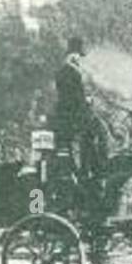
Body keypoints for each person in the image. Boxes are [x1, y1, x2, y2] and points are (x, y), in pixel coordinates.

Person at [52, 36, 108, 179]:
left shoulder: (68, 72)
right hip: (72, 116)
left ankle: (90, 167)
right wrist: (86, 101)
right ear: (72, 56)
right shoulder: (69, 72)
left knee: (93, 134)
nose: (80, 59)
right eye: (78, 56)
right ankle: (97, 169)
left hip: (70, 115)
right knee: (101, 131)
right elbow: (72, 97)